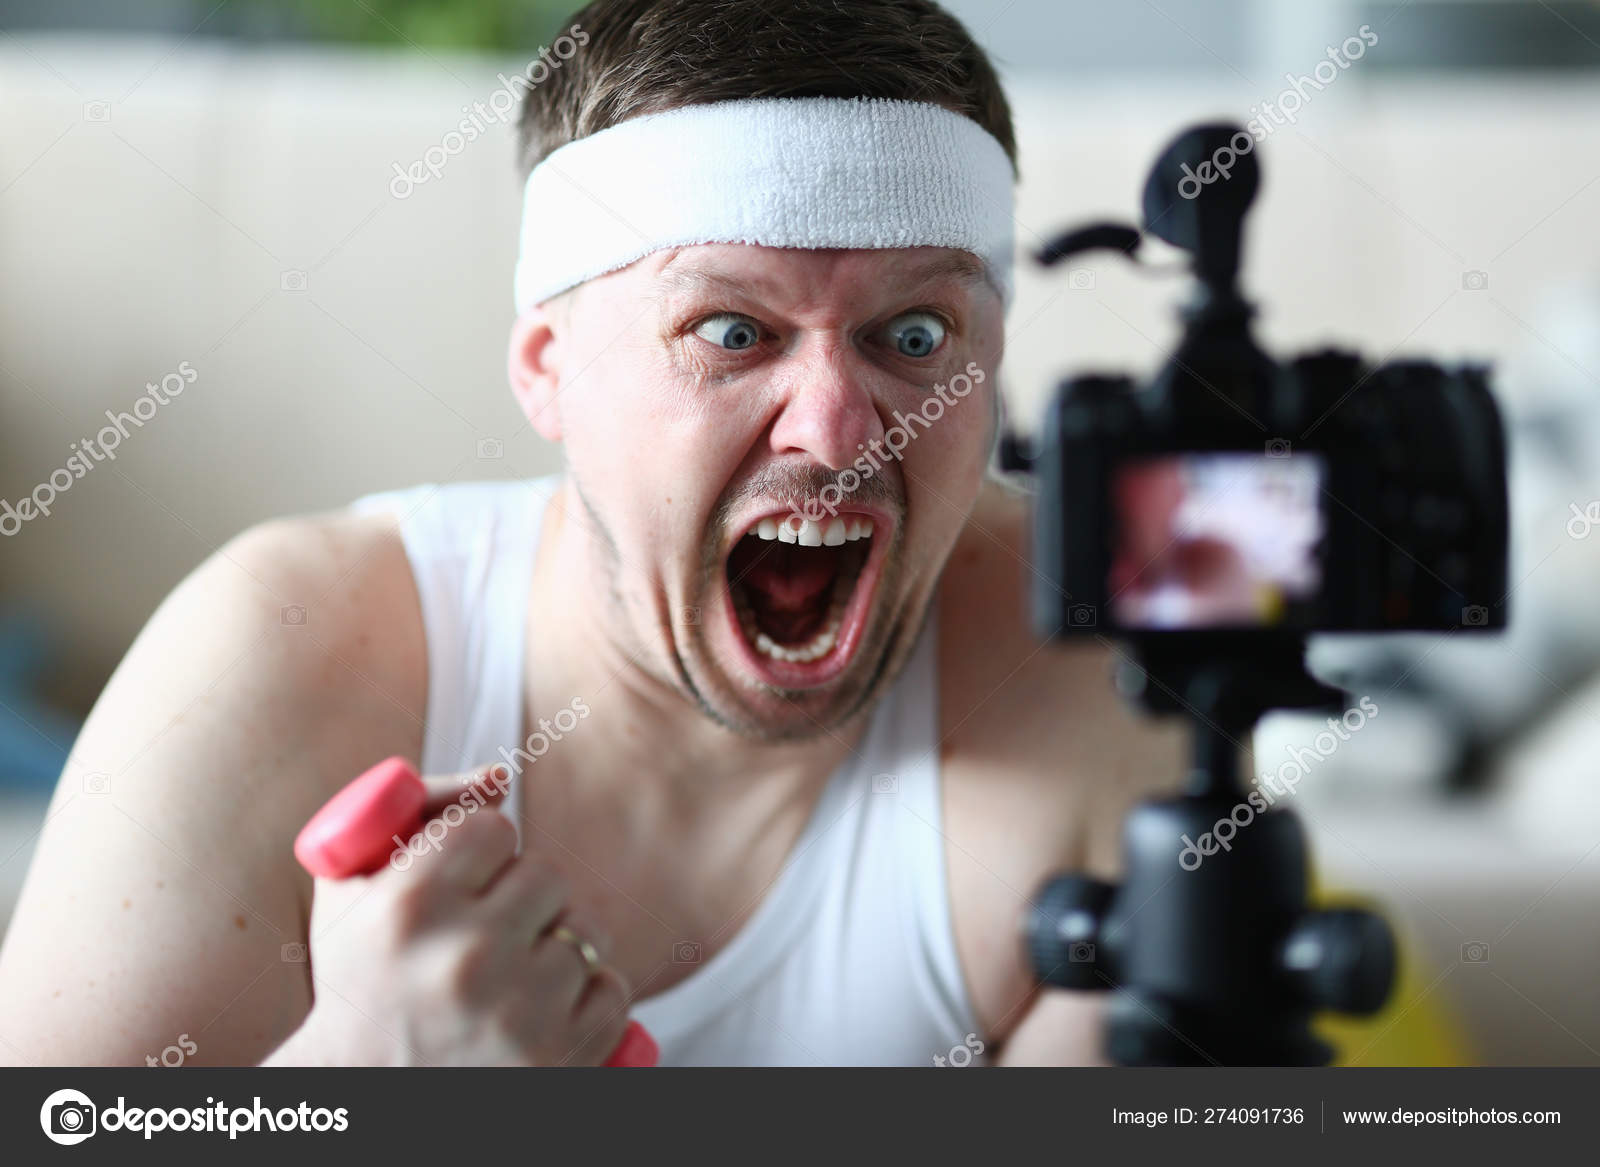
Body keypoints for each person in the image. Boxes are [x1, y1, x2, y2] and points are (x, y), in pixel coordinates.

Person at [0, 0, 1183, 1067]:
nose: (836, 435)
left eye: (916, 337)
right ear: (548, 371)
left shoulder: (1090, 678)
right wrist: (361, 1077)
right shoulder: (281, 648)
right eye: (731, 331)